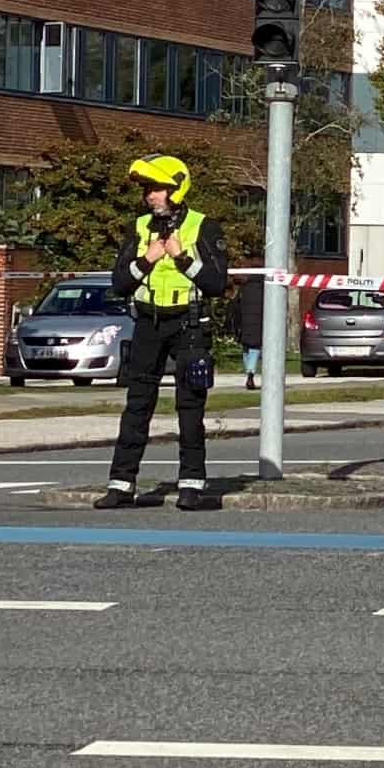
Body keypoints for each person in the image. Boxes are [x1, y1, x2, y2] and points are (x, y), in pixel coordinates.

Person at [93, 155, 229, 511]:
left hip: (188, 325)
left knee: (189, 406)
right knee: (137, 405)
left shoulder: (203, 226)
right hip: (148, 325)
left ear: (176, 189)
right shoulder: (138, 228)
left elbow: (217, 283)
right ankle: (121, 484)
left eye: (155, 189)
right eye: (146, 190)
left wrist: (184, 259)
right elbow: (120, 282)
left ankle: (191, 485)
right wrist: (146, 260)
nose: (149, 196)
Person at [234, 272, 265, 391]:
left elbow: (236, 306)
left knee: (246, 347)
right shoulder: (264, 290)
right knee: (255, 347)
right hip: (258, 323)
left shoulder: (244, 289)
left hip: (244, 322)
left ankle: (249, 371)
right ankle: (250, 373)